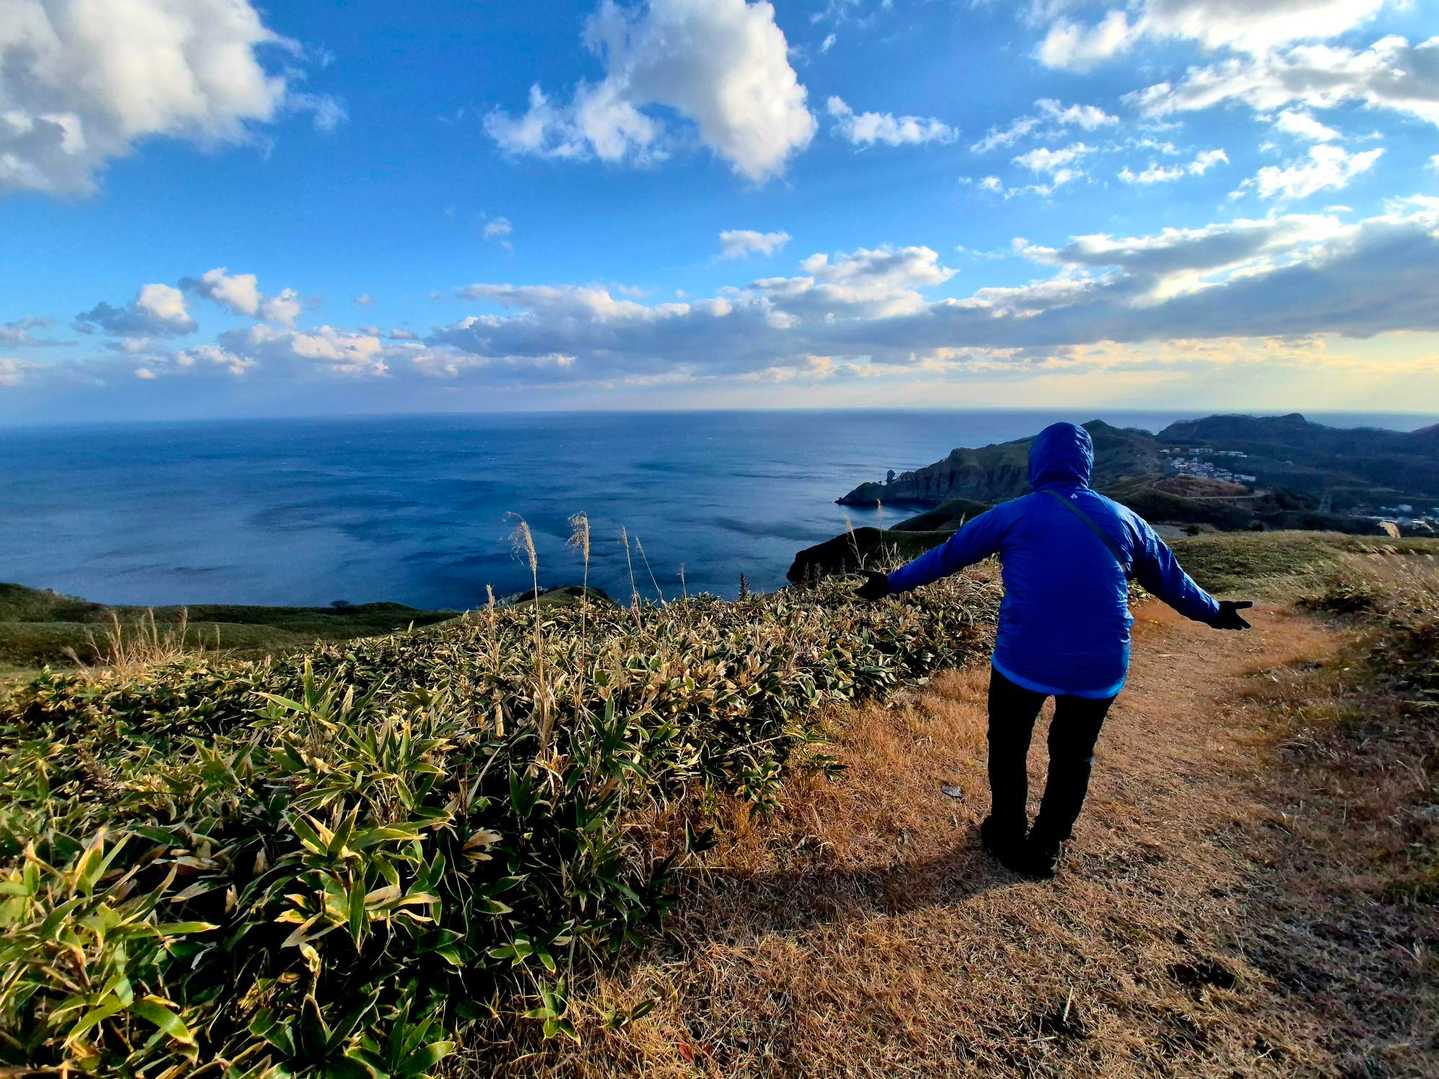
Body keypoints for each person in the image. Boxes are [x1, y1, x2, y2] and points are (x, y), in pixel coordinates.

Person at [855, 422, 1252, 878]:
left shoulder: (1013, 514)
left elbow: (947, 556)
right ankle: (1046, 847)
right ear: (1086, 465)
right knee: (1073, 754)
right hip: (1100, 663)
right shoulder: (1125, 519)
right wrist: (1216, 611)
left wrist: (887, 583)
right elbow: (1173, 580)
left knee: (1008, 746)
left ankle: (1006, 832)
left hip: (1026, 656)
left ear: (1037, 463)